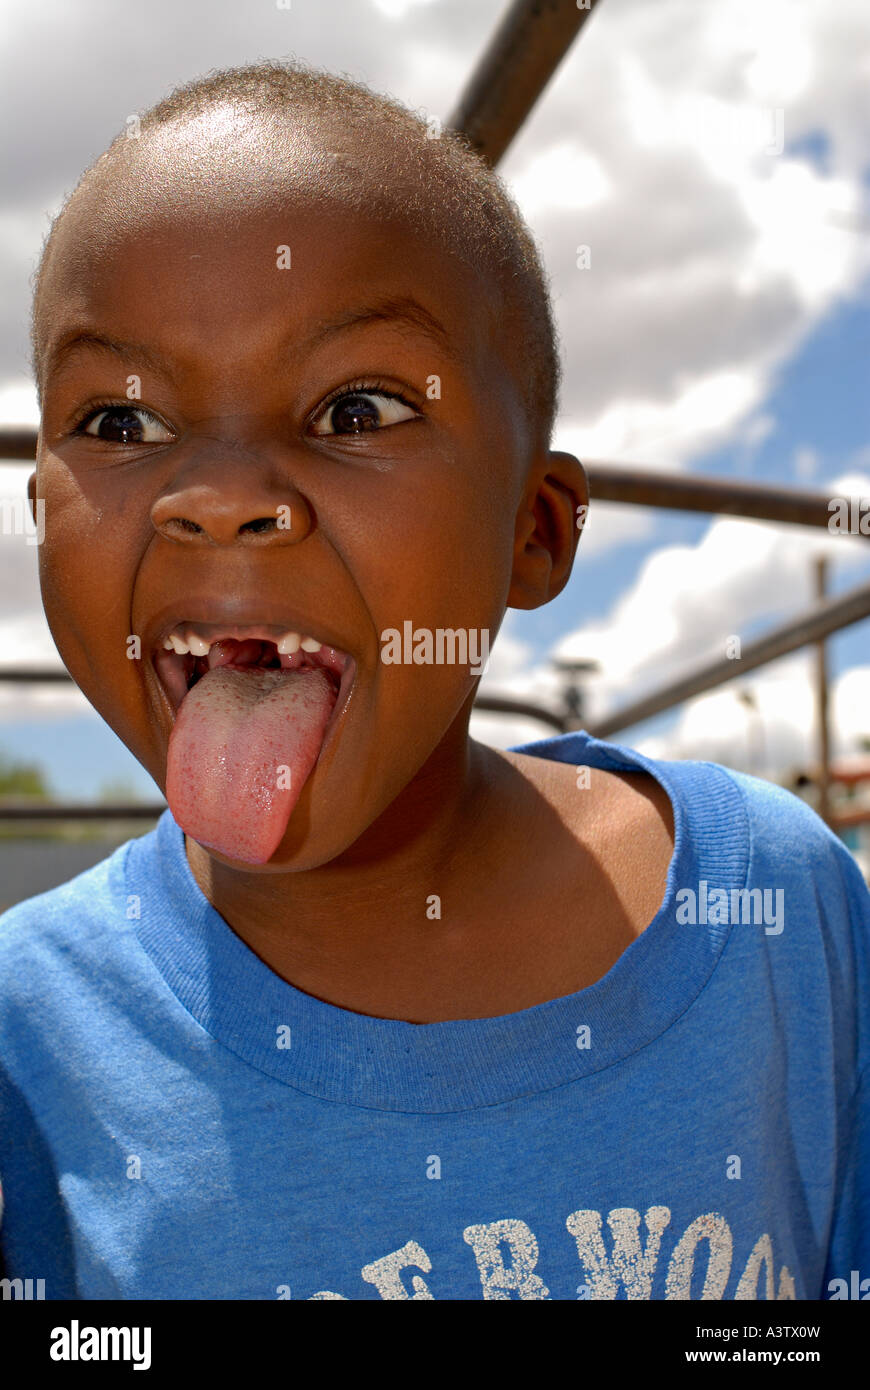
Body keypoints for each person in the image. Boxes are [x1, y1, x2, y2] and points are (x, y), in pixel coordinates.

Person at [0, 59, 866, 1301]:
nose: (225, 499)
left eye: (358, 409)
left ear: (536, 532)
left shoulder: (782, 914)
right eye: (121, 425)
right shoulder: (26, 1046)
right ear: (42, 512)